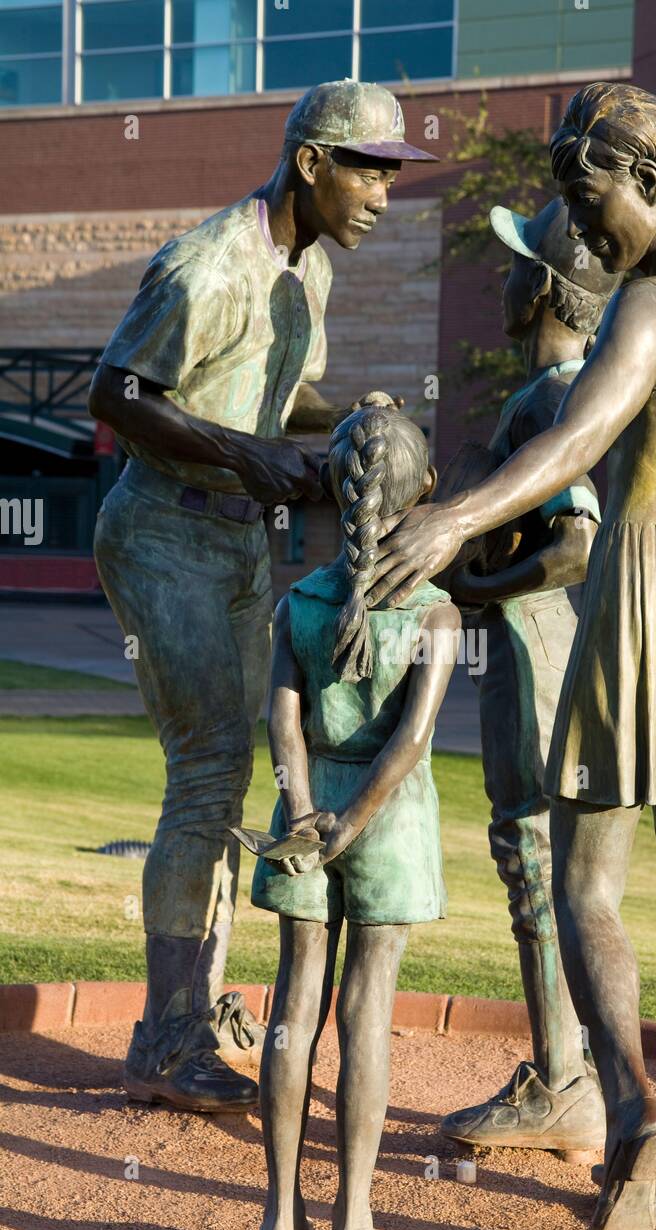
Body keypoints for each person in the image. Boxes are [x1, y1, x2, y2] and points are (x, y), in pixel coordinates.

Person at [366, 82, 656, 1230]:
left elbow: (572, 444)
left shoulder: (650, 307)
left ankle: (634, 1118)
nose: (582, 231)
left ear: (646, 180)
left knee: (586, 880)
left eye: (586, 197)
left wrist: (449, 525)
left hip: (645, 595)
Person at [89, 80, 436, 1113]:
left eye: (393, 171)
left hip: (236, 539)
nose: (382, 191)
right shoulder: (210, 265)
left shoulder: (305, 272)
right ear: (312, 162)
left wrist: (361, 431)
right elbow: (116, 394)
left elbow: (285, 394)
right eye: (368, 168)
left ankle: (194, 1013)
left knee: (230, 779)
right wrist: (251, 455)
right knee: (204, 774)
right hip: (161, 531)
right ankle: (165, 1039)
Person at [238, 402, 459, 1230]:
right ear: (425, 492)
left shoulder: (301, 601)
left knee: (295, 1007)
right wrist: (353, 824)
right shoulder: (436, 616)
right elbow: (410, 742)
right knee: (366, 1013)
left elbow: (282, 724)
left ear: (334, 488)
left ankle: (279, 1218)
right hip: (386, 818)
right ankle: (354, 1223)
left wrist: (301, 814)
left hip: (309, 808)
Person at [439, 199, 621, 1155]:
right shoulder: (571, 387)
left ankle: (563, 1082)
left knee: (533, 861)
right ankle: (571, 1076)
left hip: (534, 647)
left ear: (548, 288)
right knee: (546, 865)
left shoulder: (554, 396)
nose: (501, 279)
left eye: (516, 266)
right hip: (546, 649)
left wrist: (478, 583)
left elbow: (577, 543)